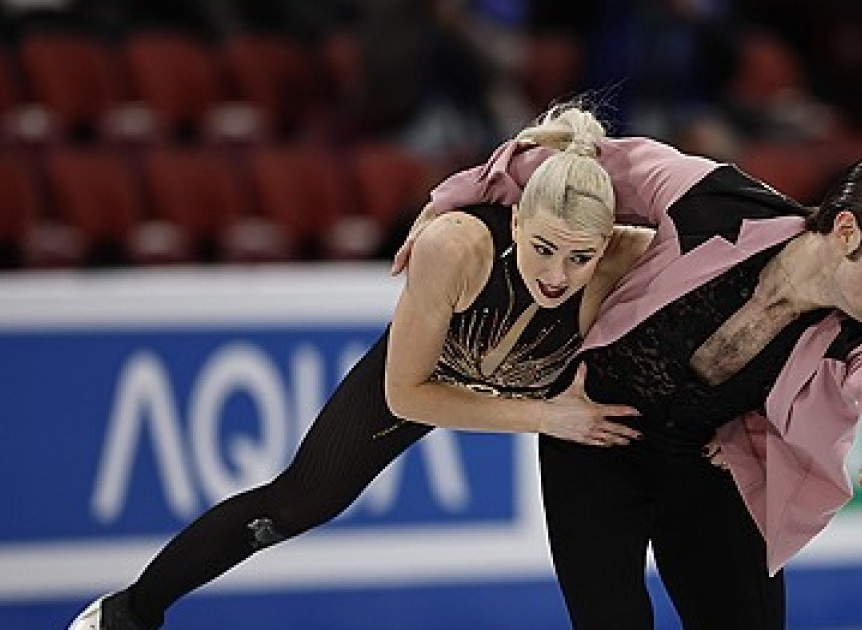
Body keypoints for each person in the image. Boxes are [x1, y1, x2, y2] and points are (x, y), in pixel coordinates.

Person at [402, 124, 862, 628]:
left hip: (703, 460)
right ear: (844, 232)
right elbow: (579, 165)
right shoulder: (716, 202)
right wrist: (453, 198)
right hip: (592, 437)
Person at [68, 106, 652, 630]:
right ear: (519, 223)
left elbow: (727, 241)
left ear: (607, 245)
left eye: (581, 257)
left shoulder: (627, 256)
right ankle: (124, 614)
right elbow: (408, 396)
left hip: (556, 401)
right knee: (296, 504)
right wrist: (548, 417)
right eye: (544, 248)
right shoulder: (456, 246)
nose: (557, 276)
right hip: (428, 378)